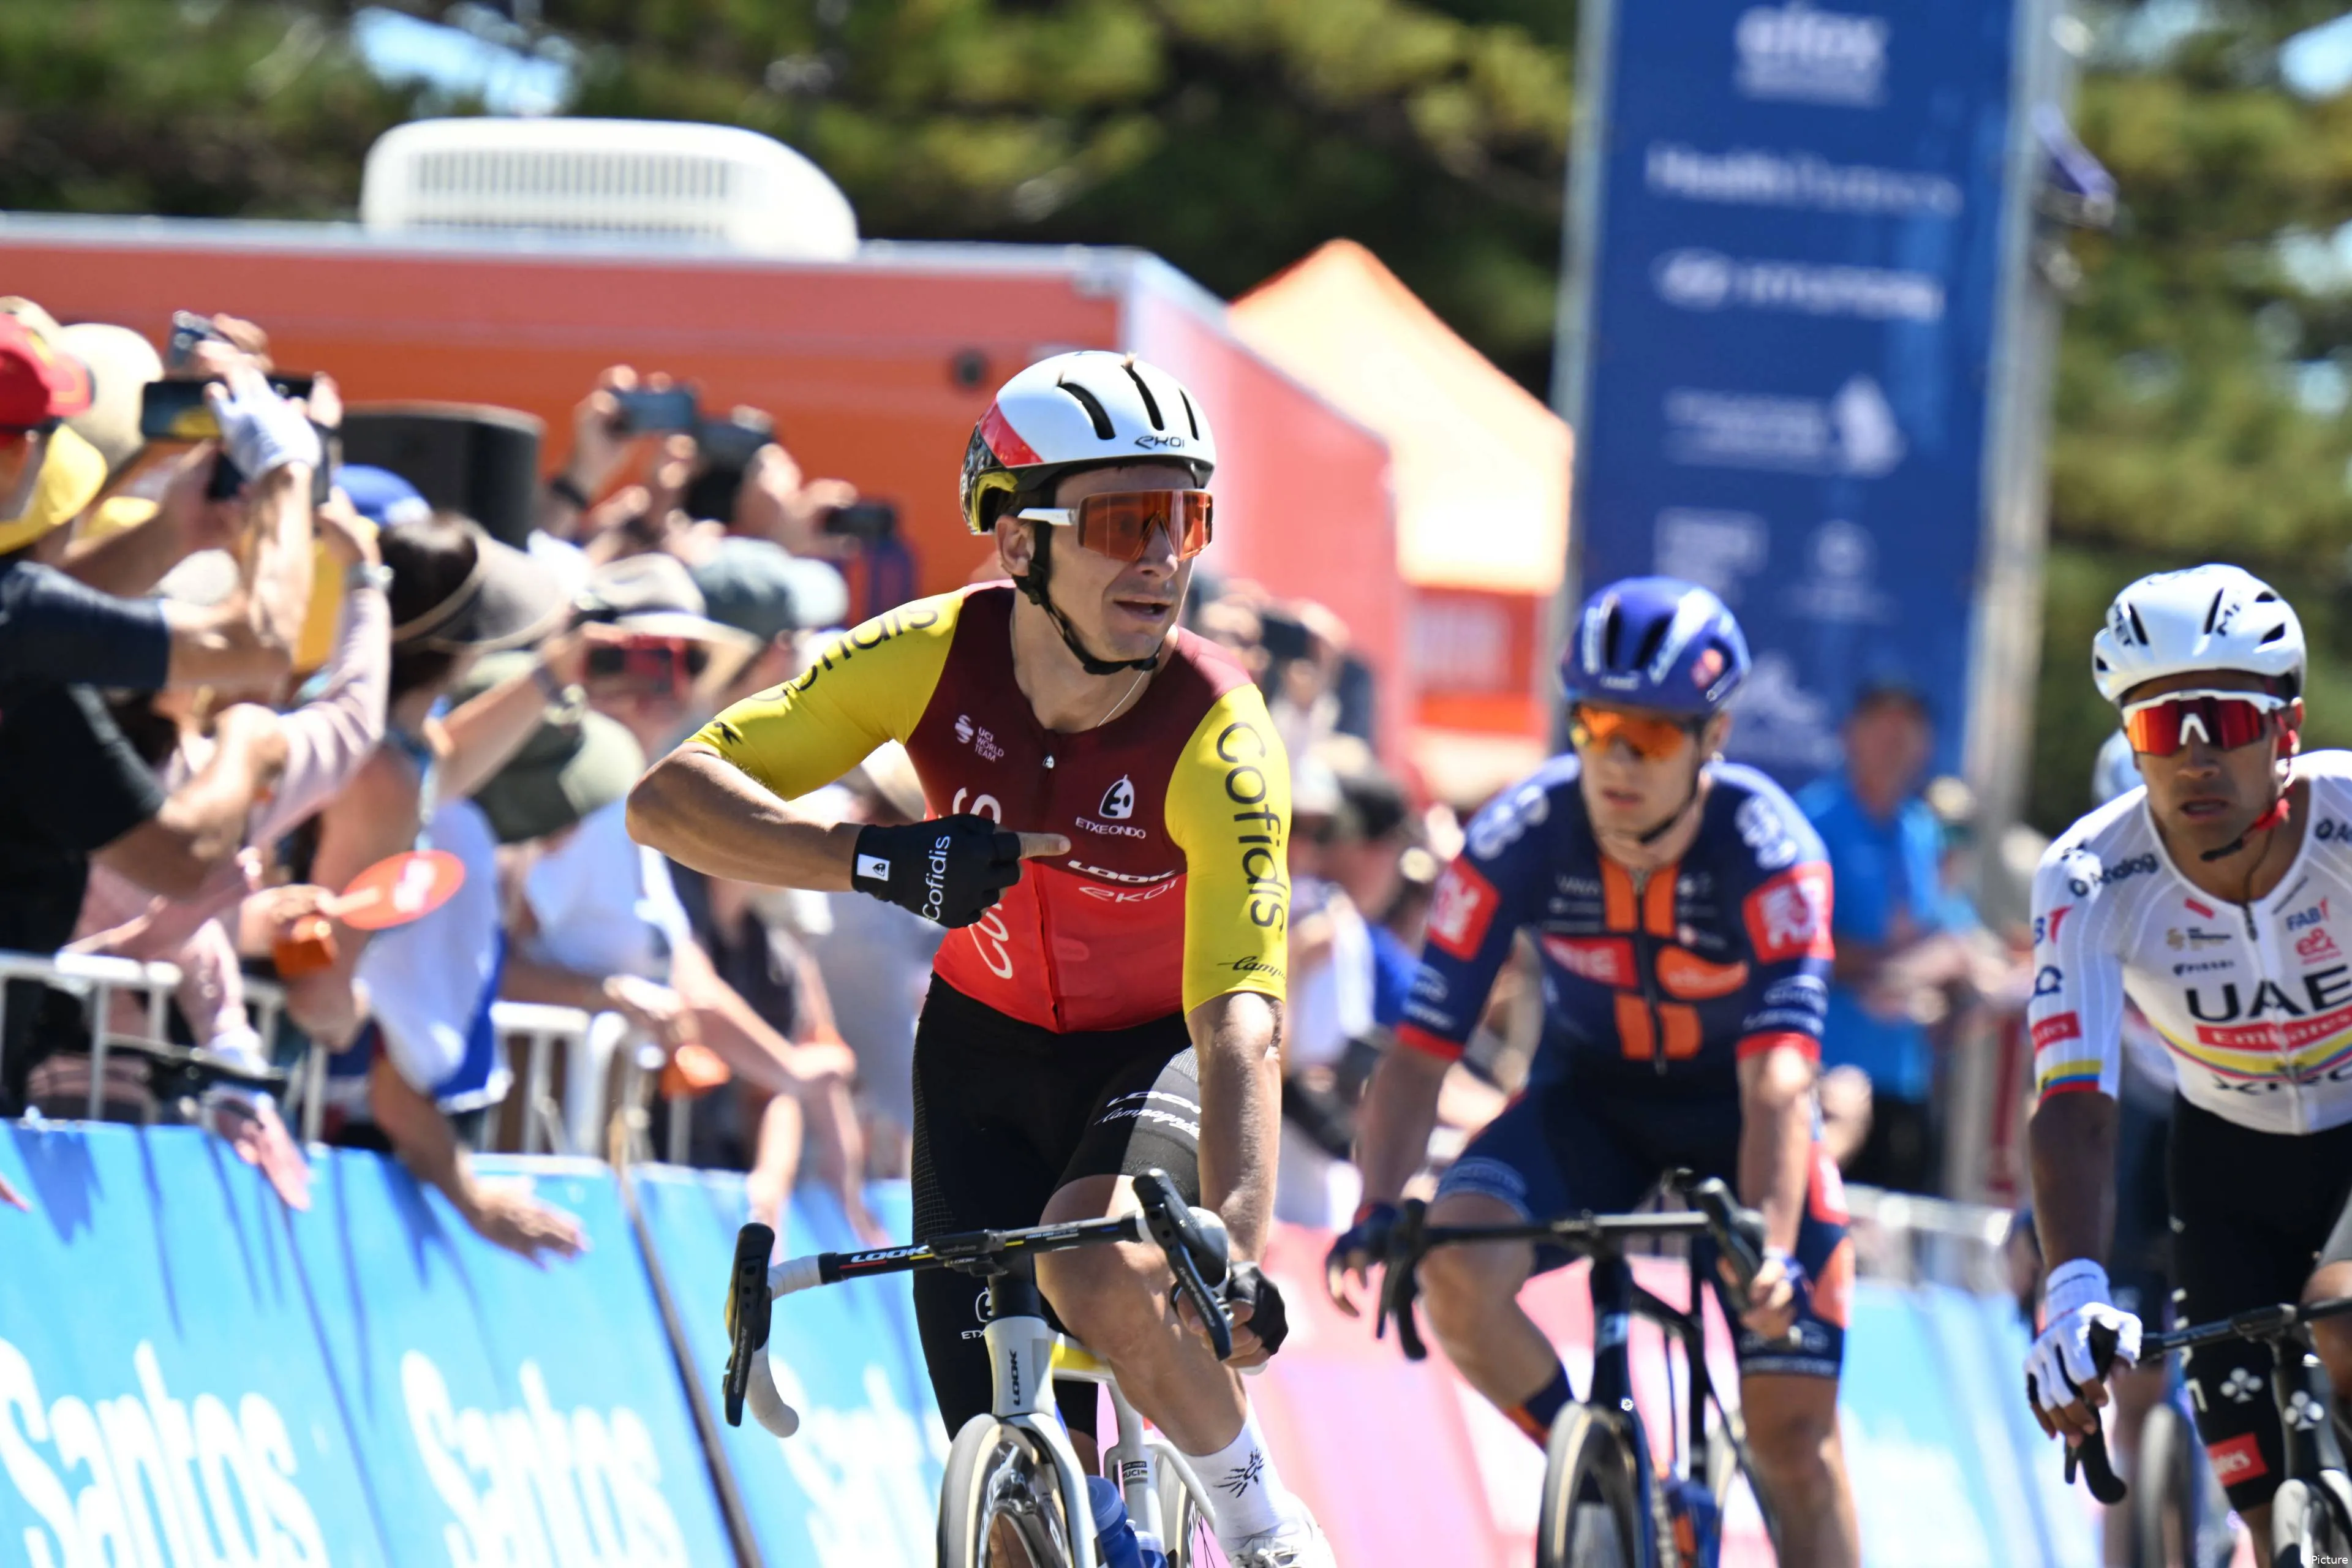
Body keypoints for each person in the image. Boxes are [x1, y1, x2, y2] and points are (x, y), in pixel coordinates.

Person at [630, 350, 1334, 1566]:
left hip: (1154, 1042)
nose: (1163, 555)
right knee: (1002, 1503)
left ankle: (1263, 1515)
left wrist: (1233, 1242)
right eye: (1125, 520)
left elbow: (1240, 1022)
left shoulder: (1218, 730)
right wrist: (876, 858)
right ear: (1019, 541)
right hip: (979, 1050)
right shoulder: (924, 654)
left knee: (1102, 1265)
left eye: (1185, 517)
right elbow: (668, 798)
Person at [1329, 577, 1861, 1567]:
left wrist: (1774, 1253)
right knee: (1453, 1261)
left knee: (1793, 1440)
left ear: (1713, 740)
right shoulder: (1519, 837)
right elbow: (1417, 1058)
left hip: (1736, 1116)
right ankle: (1611, 1479)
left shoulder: (1772, 852)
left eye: (1652, 737)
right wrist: (1378, 1202)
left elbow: (1780, 1086)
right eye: (1597, 725)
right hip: (1589, 1107)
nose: (1616, 761)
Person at [2022, 565, 2352, 1546]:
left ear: (2286, 733)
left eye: (2226, 723)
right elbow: (2074, 1101)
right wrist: (2071, 1289)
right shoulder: (2089, 876)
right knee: (2261, 1523)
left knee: (2341, 1314)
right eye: (2165, 731)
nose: (2196, 759)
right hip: (2226, 1168)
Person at [1799, 682, 1981, 1193]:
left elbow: (1948, 936)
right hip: (1826, 1078)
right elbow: (1794, 943)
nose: (1894, 742)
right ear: (1850, 735)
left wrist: (1947, 975)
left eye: (1908, 729)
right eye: (1882, 727)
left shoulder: (1920, 830)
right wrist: (1895, 968)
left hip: (1905, 1079)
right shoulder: (1813, 822)